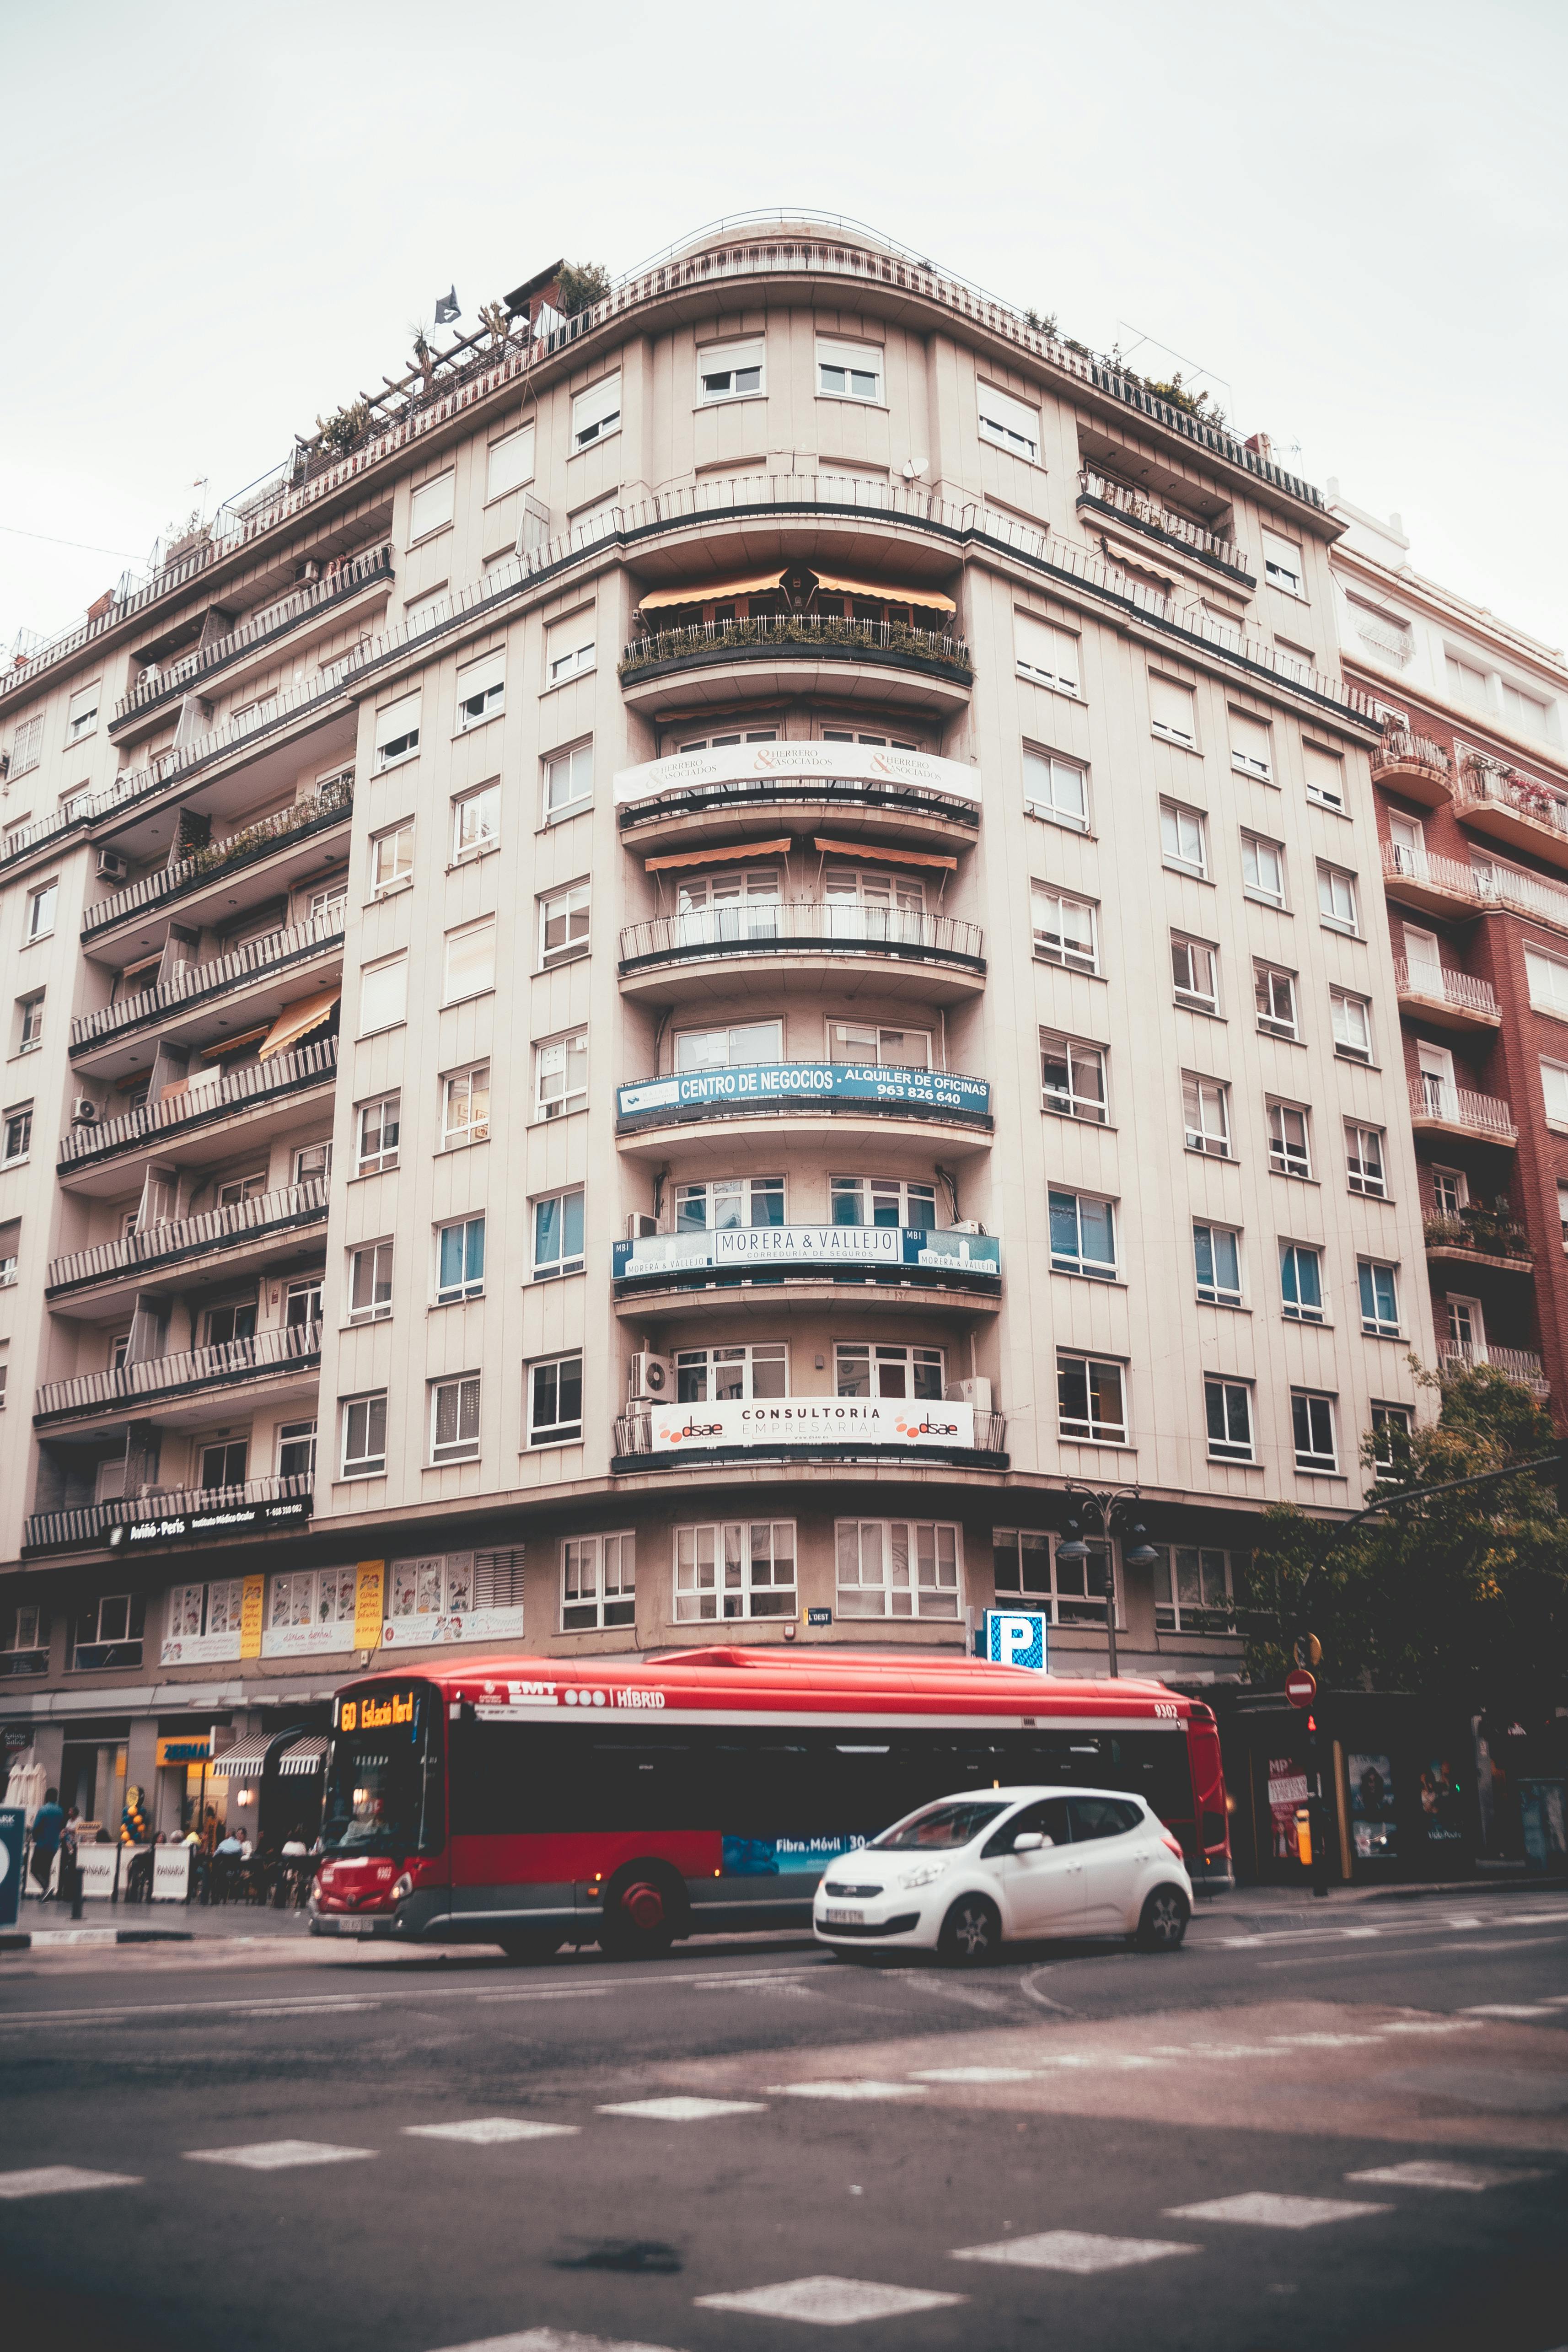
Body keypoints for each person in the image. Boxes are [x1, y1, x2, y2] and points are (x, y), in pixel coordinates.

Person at [29, 1786, 64, 1898]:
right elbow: (61, 1826)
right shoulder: (60, 1810)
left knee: (34, 1869)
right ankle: (46, 1895)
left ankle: (46, 1888)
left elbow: (35, 1827)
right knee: (46, 1869)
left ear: (46, 1797)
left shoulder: (43, 1810)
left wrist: (35, 1838)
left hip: (42, 1843)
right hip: (54, 1845)